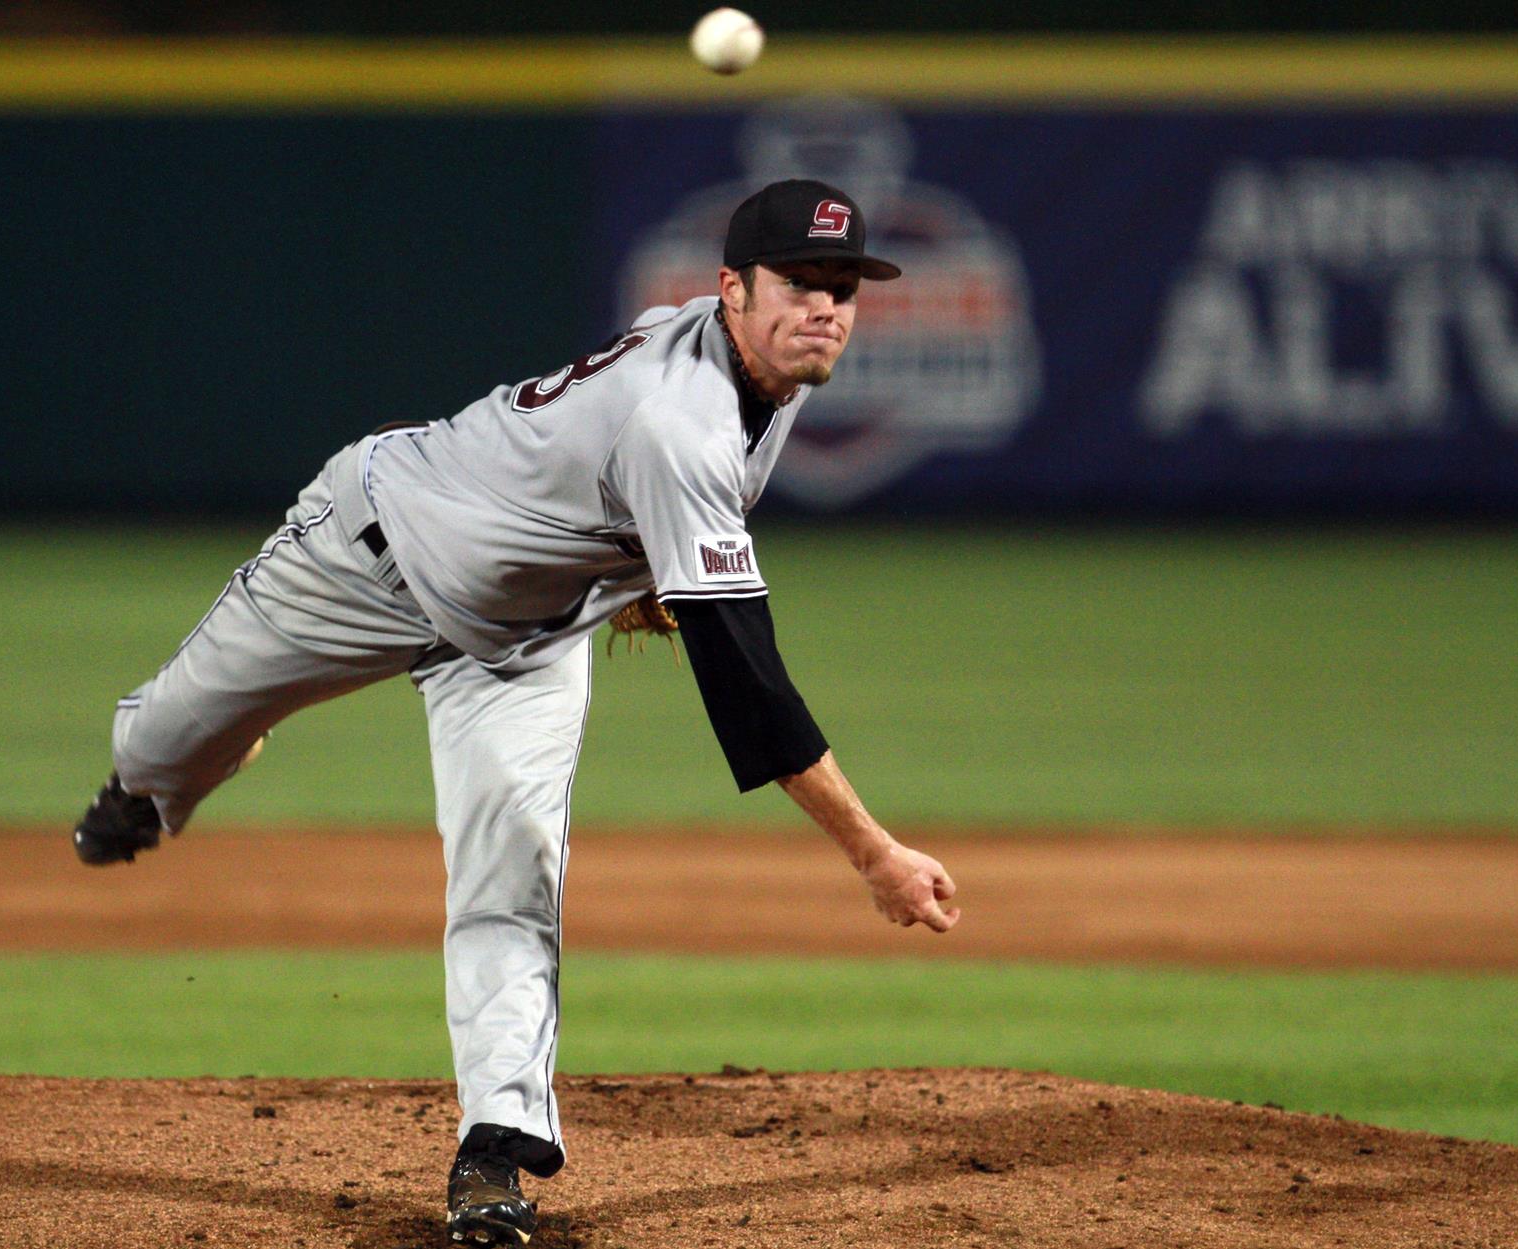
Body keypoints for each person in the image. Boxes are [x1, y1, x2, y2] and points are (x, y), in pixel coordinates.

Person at [72, 177, 960, 1247]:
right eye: (799, 283)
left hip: (521, 642)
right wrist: (870, 851)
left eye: (842, 287)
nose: (825, 307)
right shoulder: (678, 420)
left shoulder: (762, 363)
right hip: (369, 555)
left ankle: (494, 1148)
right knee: (163, 732)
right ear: (729, 289)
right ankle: (158, 783)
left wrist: (629, 571)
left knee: (514, 863)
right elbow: (747, 686)